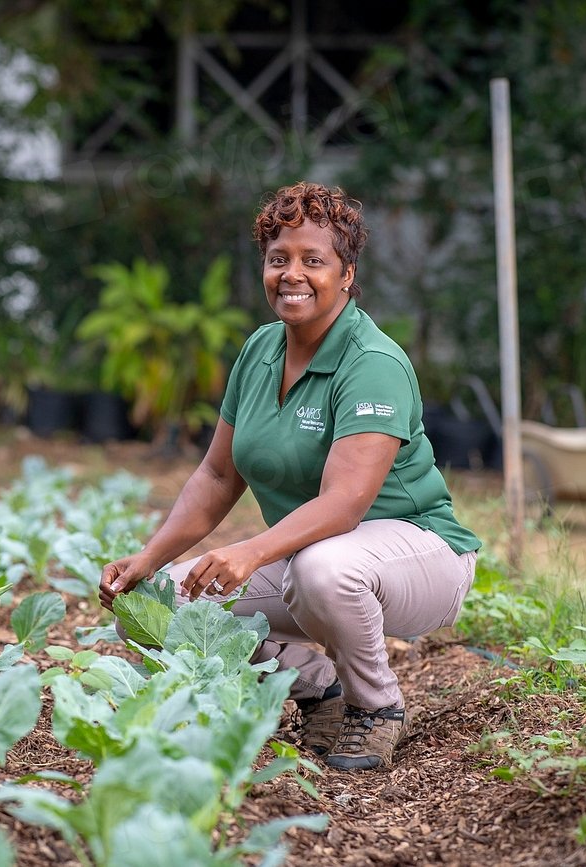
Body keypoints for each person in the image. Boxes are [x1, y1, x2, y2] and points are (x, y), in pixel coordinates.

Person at [99, 183, 481, 772]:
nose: (292, 274)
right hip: (314, 562)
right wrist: (148, 559)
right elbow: (218, 475)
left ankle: (376, 709)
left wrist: (250, 551)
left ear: (346, 274)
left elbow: (345, 504)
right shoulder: (260, 351)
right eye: (279, 259)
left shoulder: (372, 363)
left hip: (418, 558)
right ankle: (316, 688)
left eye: (313, 260)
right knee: (161, 608)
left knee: (322, 569)